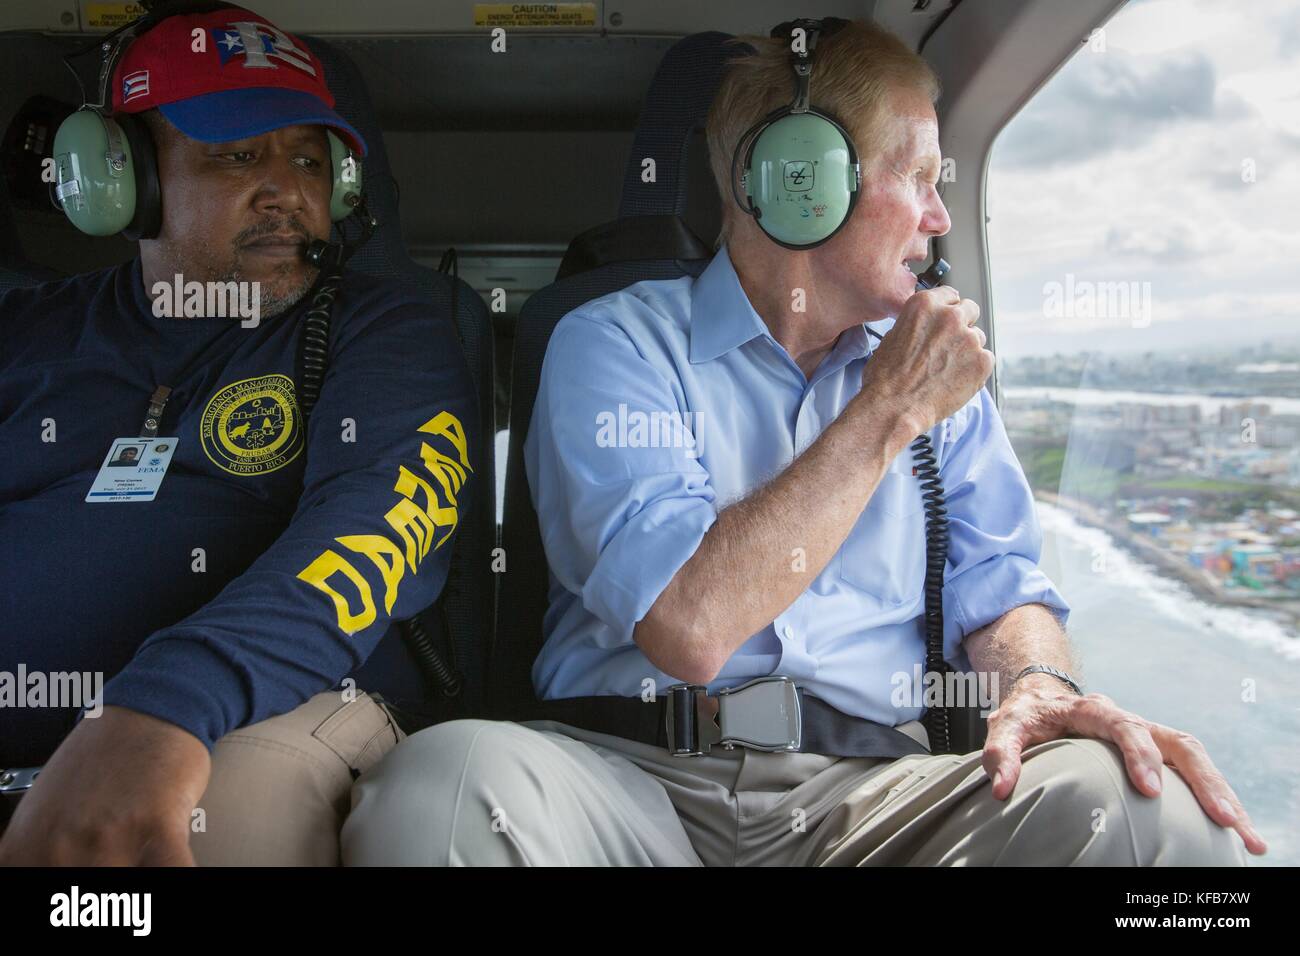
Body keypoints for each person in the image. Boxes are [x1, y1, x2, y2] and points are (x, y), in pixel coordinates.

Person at [342, 19, 1264, 866]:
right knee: (441, 790)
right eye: (915, 178)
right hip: (624, 778)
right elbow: (689, 626)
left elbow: (1004, 591)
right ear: (800, 180)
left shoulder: (941, 378)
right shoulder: (614, 342)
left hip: (871, 792)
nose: (938, 219)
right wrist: (887, 411)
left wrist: (1038, 684)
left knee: (1156, 810)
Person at [0, 3, 476, 865]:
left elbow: (374, 531)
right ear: (126, 178)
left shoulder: (387, 329)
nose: (288, 191)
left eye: (308, 159)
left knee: (227, 813)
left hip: (260, 724)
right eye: (237, 155)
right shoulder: (25, 334)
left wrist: (160, 710)